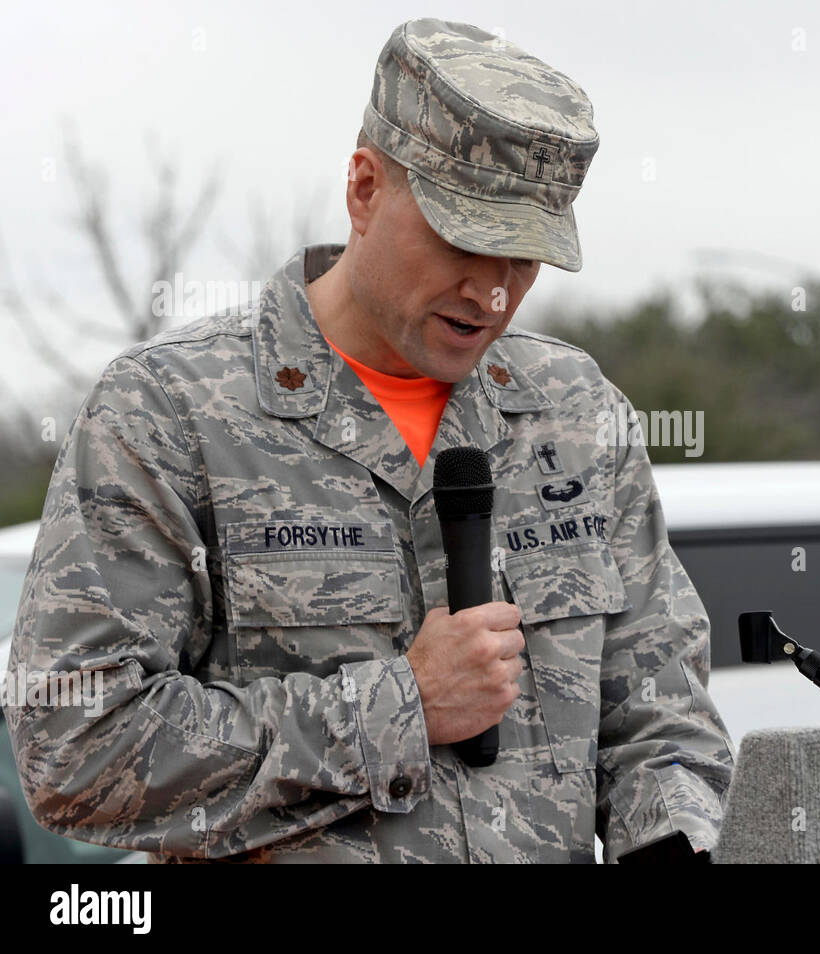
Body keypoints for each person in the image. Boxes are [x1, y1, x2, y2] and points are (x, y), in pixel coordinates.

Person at [2, 17, 734, 863]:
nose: (492, 294)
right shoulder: (169, 413)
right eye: (467, 240)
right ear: (364, 188)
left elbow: (661, 713)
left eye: (524, 260)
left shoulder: (572, 412)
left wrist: (671, 841)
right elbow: (73, 748)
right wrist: (399, 707)